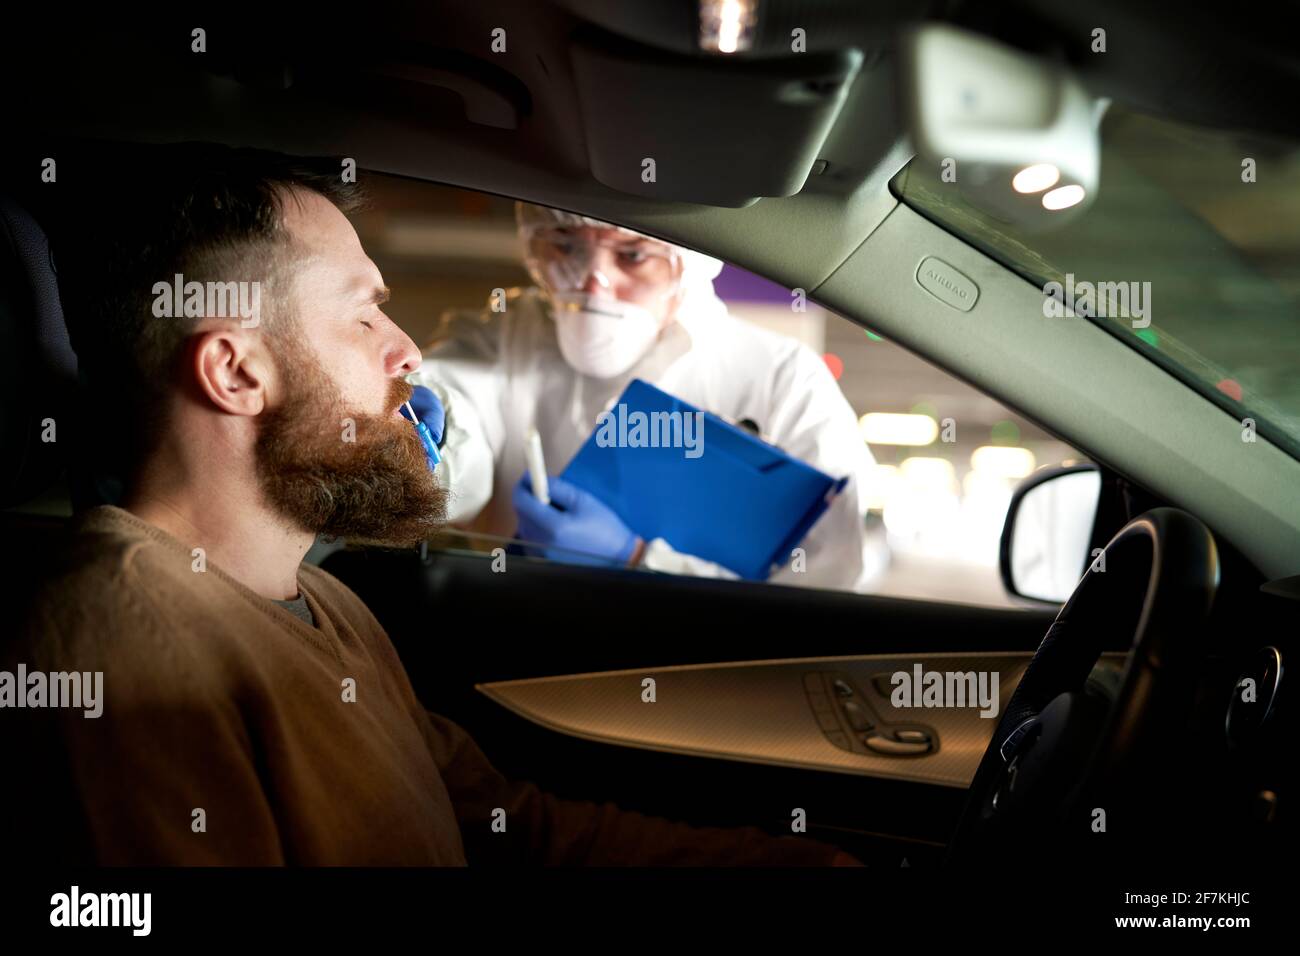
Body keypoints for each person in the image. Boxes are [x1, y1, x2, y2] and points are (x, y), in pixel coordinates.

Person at [5, 144, 860, 866]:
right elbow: (460, 436)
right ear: (235, 373)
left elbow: (501, 819)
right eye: (366, 318)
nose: (411, 354)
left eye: (630, 255)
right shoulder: (114, 643)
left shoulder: (326, 604)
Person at [412, 203, 885, 589]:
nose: (593, 281)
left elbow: (827, 579)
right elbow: (455, 405)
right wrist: (427, 437)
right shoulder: (506, 333)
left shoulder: (781, 375)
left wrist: (638, 558)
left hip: (691, 669)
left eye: (633, 256)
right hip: (515, 624)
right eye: (565, 244)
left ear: (691, 261)